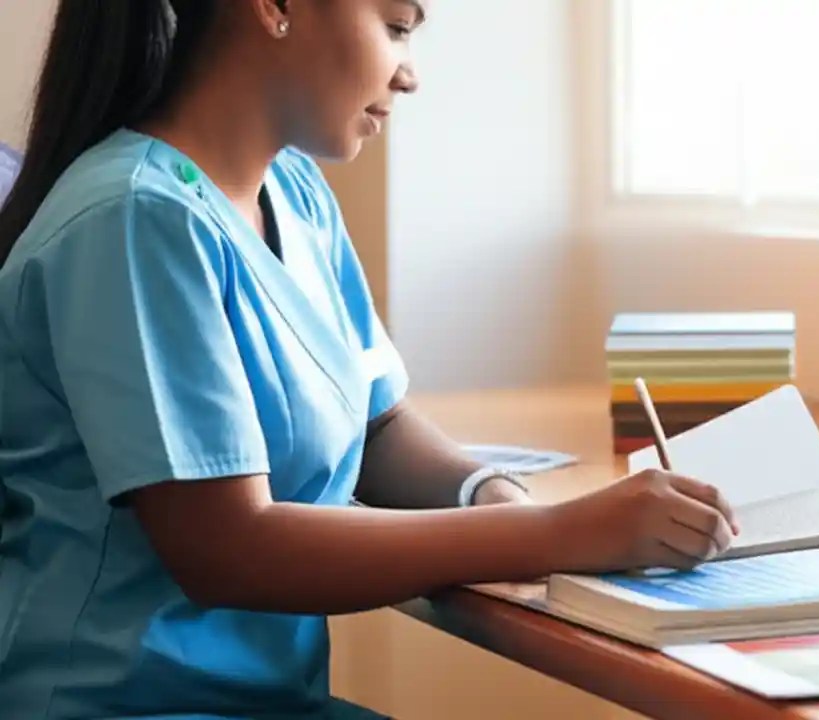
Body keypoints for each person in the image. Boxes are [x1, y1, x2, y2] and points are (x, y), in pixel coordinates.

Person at [0, 1, 738, 718]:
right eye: (395, 28)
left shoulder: (295, 193)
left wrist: (495, 496)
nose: (409, 75)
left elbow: (380, 424)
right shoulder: (133, 219)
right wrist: (559, 534)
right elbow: (226, 547)